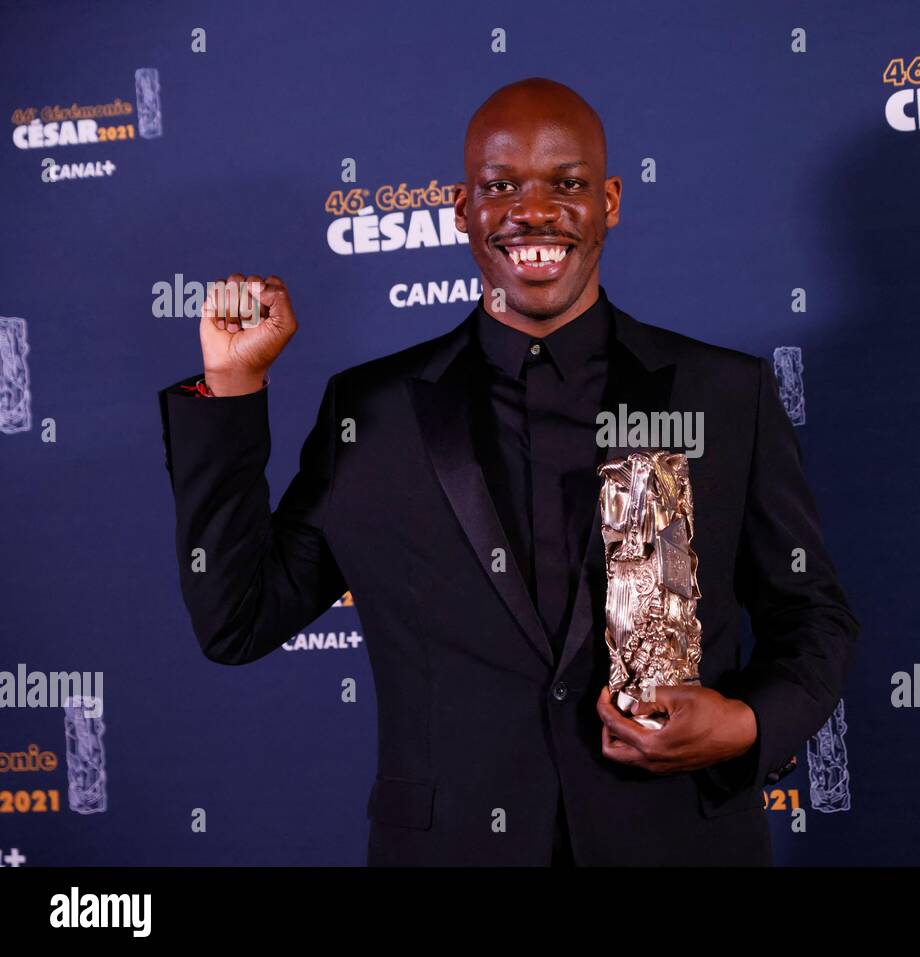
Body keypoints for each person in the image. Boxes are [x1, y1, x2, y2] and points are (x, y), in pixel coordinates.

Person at [158, 77, 859, 866]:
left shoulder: (724, 394)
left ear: (611, 201)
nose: (534, 212)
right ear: (462, 209)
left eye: (567, 183)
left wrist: (745, 724)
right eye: (501, 187)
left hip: (677, 842)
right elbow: (238, 618)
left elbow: (814, 618)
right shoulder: (373, 412)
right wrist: (230, 388)